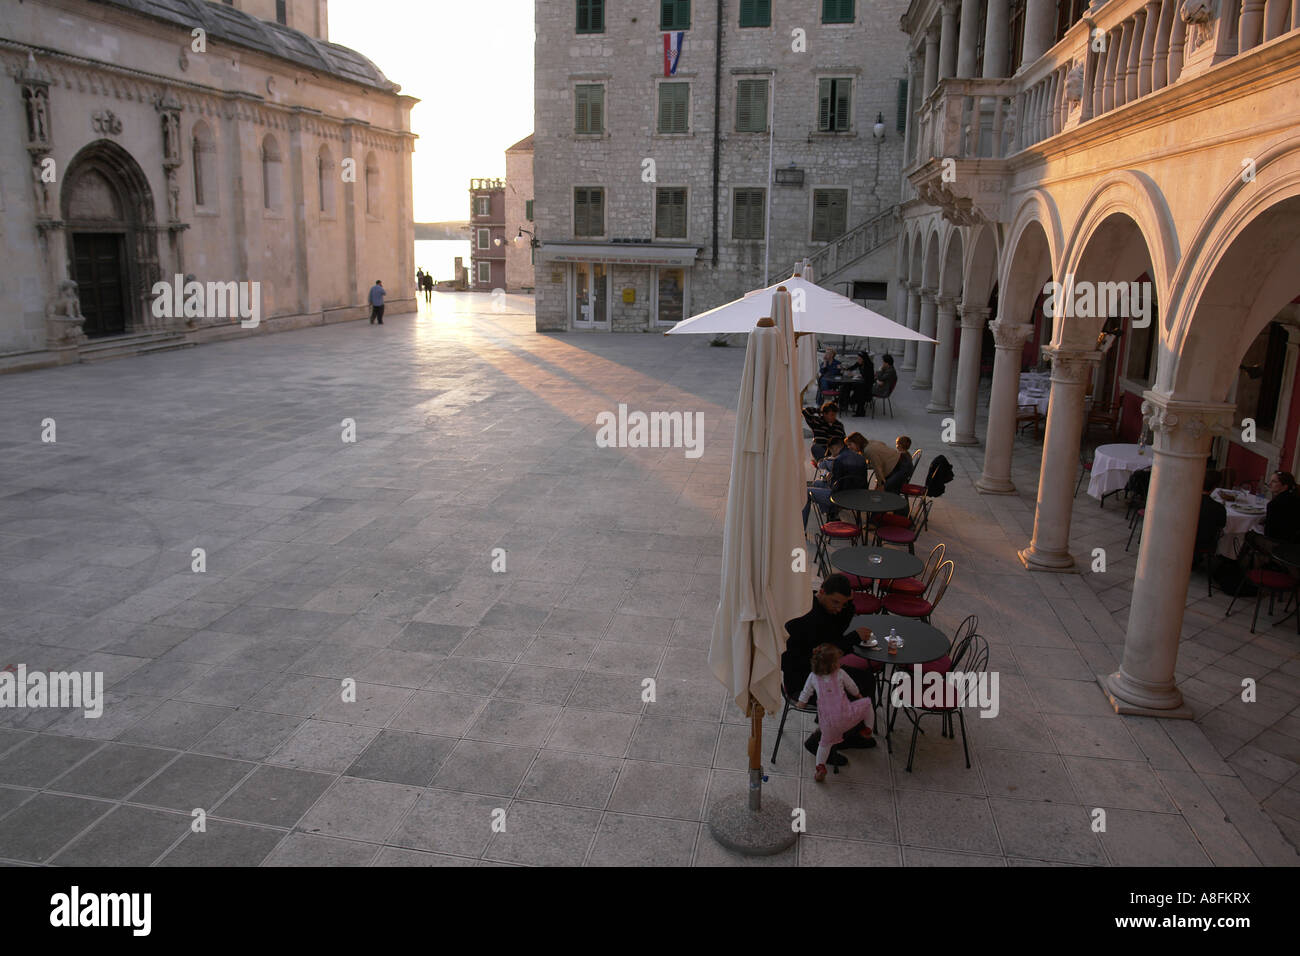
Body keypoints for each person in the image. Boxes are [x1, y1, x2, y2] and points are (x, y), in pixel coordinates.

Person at [782, 576, 878, 766]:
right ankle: (820, 741)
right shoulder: (806, 616)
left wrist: (848, 604)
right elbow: (826, 652)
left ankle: (849, 734)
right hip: (803, 680)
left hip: (822, 671)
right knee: (848, 692)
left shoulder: (825, 609)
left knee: (866, 680)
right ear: (822, 592)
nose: (839, 609)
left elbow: (837, 629)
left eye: (843, 604)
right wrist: (853, 637)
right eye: (835, 602)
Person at [797, 644, 876, 783]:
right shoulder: (840, 673)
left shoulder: (813, 677)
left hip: (828, 724)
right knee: (868, 704)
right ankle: (868, 729)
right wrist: (858, 695)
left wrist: (801, 703)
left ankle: (820, 767)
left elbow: (806, 692)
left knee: (824, 745)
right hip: (846, 717)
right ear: (833, 664)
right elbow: (852, 686)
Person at [803, 433, 868, 527]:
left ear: (834, 448)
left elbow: (834, 486)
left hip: (841, 498)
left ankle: (803, 529)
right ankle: (830, 514)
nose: (832, 454)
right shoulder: (861, 458)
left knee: (806, 492)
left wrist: (828, 479)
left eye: (831, 451)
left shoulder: (838, 460)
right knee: (817, 483)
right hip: (859, 495)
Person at [1195, 468, 1227, 559]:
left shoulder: (1189, 502)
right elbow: (1222, 526)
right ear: (1214, 487)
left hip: (1186, 539)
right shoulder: (1219, 508)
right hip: (1206, 543)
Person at [1265, 471, 1300, 542]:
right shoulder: (1296, 498)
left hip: (1279, 543)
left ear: (1285, 486)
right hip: (1296, 540)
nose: (1269, 484)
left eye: (1274, 482)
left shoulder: (1274, 504)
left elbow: (1269, 533)